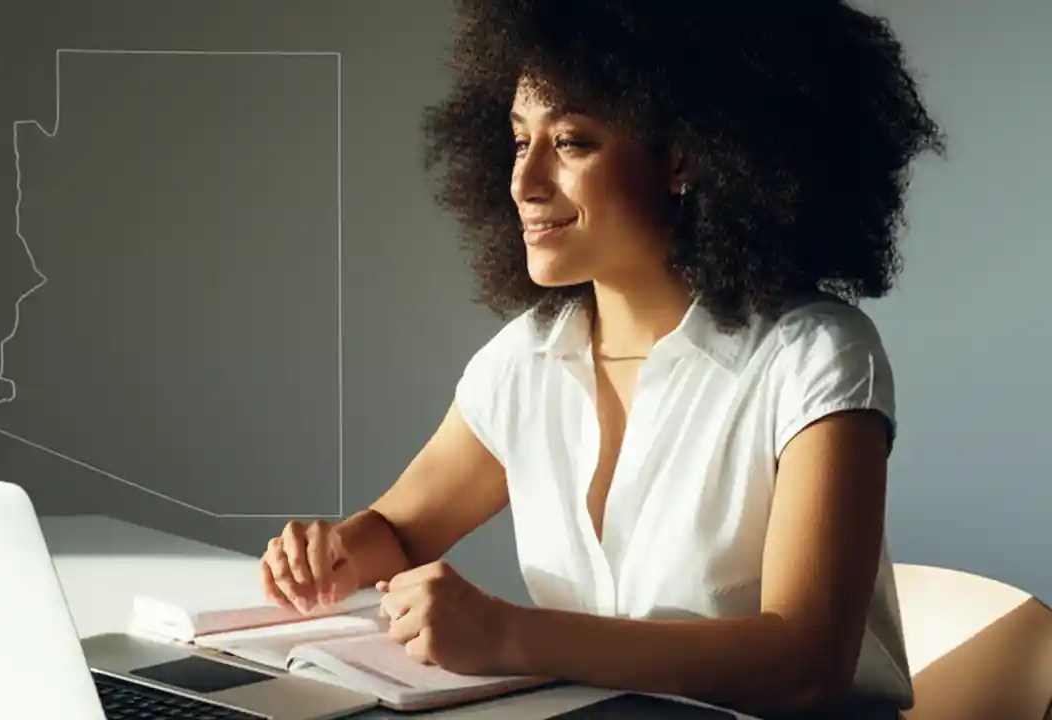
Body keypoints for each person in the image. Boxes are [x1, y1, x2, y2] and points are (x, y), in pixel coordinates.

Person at [260, 1, 944, 717]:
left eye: (572, 142)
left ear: (683, 157)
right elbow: (399, 530)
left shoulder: (814, 358)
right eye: (519, 140)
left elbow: (805, 663)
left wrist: (516, 636)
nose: (525, 182)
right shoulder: (525, 359)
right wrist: (334, 551)